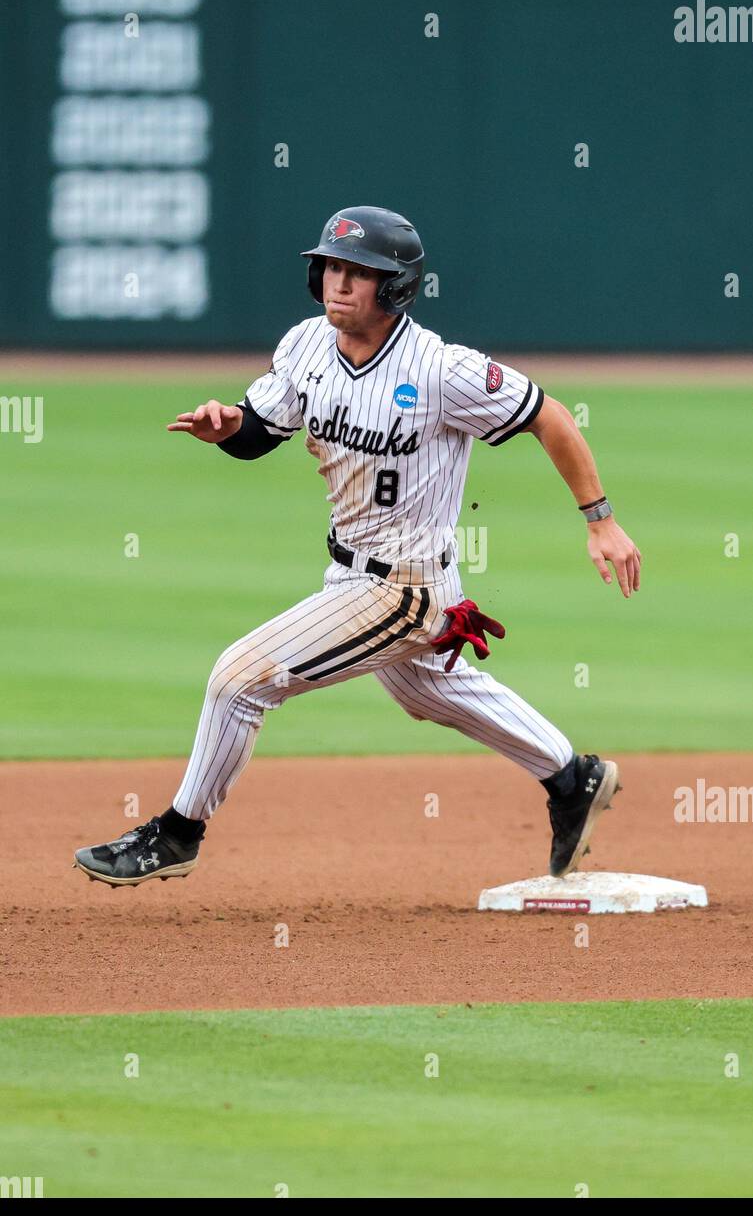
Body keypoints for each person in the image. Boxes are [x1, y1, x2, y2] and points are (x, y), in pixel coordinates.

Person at [73, 206, 641, 890]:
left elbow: (548, 415)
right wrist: (227, 426)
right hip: (350, 573)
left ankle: (177, 832)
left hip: (404, 588)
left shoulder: (442, 369)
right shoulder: (305, 347)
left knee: (240, 678)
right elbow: (260, 428)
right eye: (332, 267)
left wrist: (599, 519)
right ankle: (572, 780)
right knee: (428, 692)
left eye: (360, 273)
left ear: (396, 288)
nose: (339, 283)